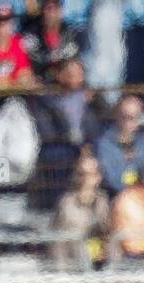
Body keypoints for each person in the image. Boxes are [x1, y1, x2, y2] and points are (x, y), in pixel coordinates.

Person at [26, 50, 101, 210]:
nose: (76, 76)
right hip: (59, 146)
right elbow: (46, 132)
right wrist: (76, 146)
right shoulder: (45, 100)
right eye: (70, 72)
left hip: (87, 146)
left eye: (79, 72)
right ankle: (57, 206)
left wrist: (87, 145)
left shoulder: (91, 99)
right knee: (58, 156)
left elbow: (99, 125)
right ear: (59, 75)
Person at [51, 150, 110, 270]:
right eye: (81, 174)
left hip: (99, 265)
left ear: (98, 177)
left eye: (91, 174)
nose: (86, 179)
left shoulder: (103, 202)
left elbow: (107, 235)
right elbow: (57, 241)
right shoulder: (66, 204)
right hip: (72, 266)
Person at [21, 0, 85, 81]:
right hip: (39, 86)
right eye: (48, 8)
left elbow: (74, 61)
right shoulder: (31, 35)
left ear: (61, 11)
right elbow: (31, 65)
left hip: (66, 86)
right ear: (42, 11)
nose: (51, 13)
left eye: (55, 8)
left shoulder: (71, 34)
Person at [95, 93, 144, 195]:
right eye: (125, 116)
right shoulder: (104, 144)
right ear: (116, 115)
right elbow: (113, 181)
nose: (128, 121)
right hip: (114, 198)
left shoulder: (143, 143)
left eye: (134, 117)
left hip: (141, 198)